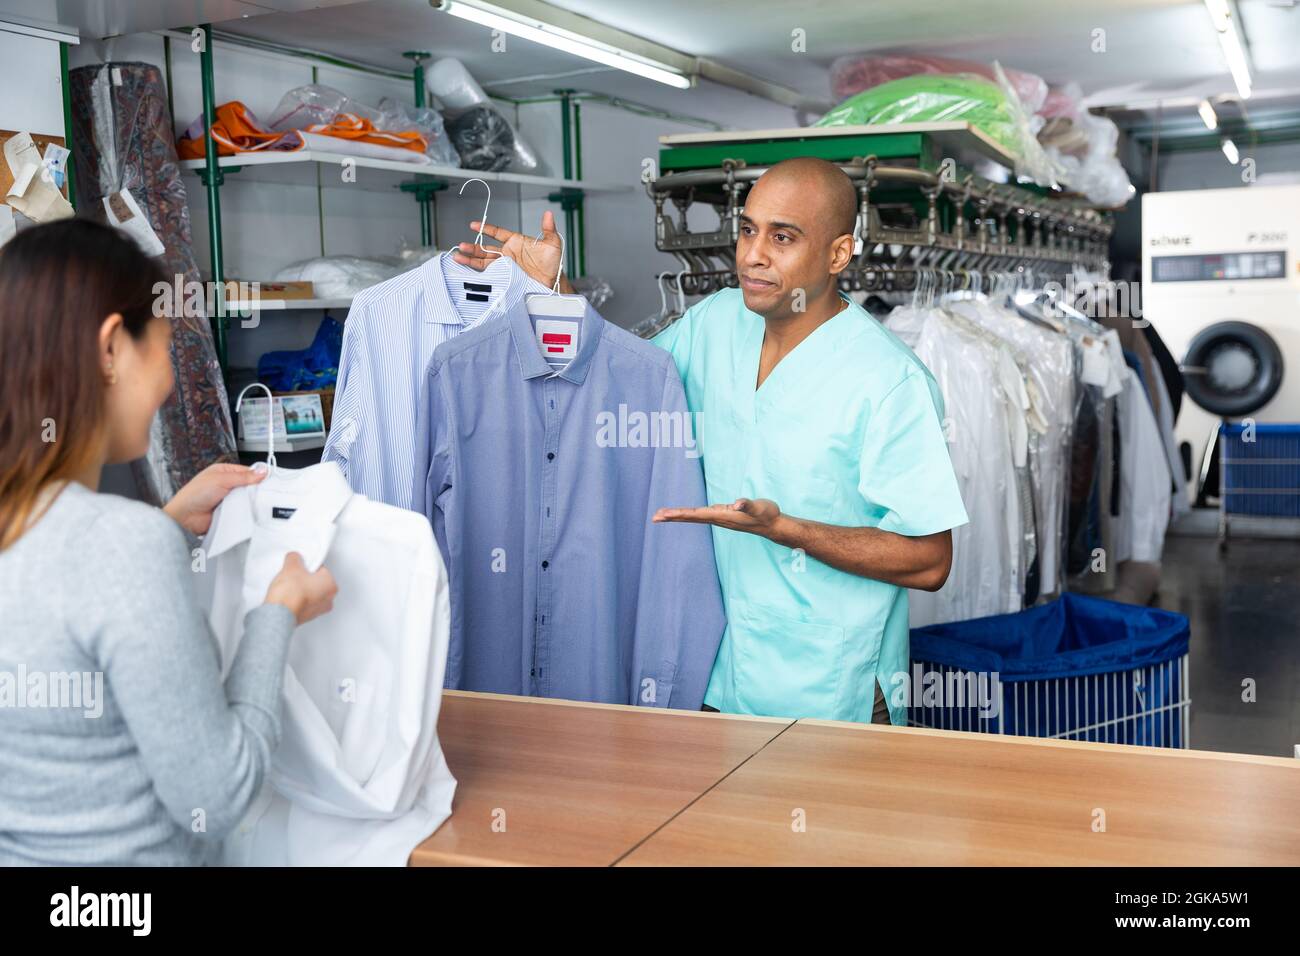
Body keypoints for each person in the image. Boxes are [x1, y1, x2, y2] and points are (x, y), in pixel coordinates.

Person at [452, 158, 968, 725]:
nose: (753, 255)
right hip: (708, 669)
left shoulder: (889, 380)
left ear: (838, 254)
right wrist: (554, 289)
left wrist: (783, 529)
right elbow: (615, 377)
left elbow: (929, 560)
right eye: (748, 230)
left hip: (824, 684)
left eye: (783, 237)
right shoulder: (716, 322)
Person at [0, 219, 337, 865]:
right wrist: (277, 614)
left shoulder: (62, 532)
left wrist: (165, 525)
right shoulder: (120, 546)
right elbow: (219, 790)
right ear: (109, 348)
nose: (171, 382)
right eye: (162, 348)